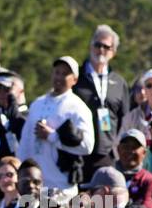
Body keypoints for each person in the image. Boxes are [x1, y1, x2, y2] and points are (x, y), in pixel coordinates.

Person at [17, 57, 95, 199]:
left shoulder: (78, 108)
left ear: (74, 80)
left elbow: (87, 146)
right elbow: (25, 140)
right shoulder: (37, 104)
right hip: (33, 186)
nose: (59, 77)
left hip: (61, 187)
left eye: (65, 73)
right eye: (57, 72)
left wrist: (52, 137)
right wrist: (20, 171)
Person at [73, 25, 130, 173]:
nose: (101, 50)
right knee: (78, 197)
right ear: (90, 46)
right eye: (97, 45)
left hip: (106, 154)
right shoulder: (75, 77)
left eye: (107, 46)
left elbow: (124, 118)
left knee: (105, 196)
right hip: (78, 152)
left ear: (114, 52)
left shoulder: (119, 82)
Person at [115, 129, 152, 208]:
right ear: (118, 149)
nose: (130, 151)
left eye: (135, 147)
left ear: (144, 153)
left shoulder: (150, 181)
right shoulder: (107, 176)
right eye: (126, 147)